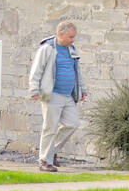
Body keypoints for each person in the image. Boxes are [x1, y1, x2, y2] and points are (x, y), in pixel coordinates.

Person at [28, 20, 87, 171]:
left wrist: (82, 90)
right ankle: (44, 161)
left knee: (72, 123)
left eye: (74, 37)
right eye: (70, 37)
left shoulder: (71, 49)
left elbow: (77, 71)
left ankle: (51, 152)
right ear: (61, 35)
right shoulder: (47, 48)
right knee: (50, 127)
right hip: (52, 94)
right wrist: (34, 90)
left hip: (68, 95)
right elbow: (36, 70)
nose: (73, 40)